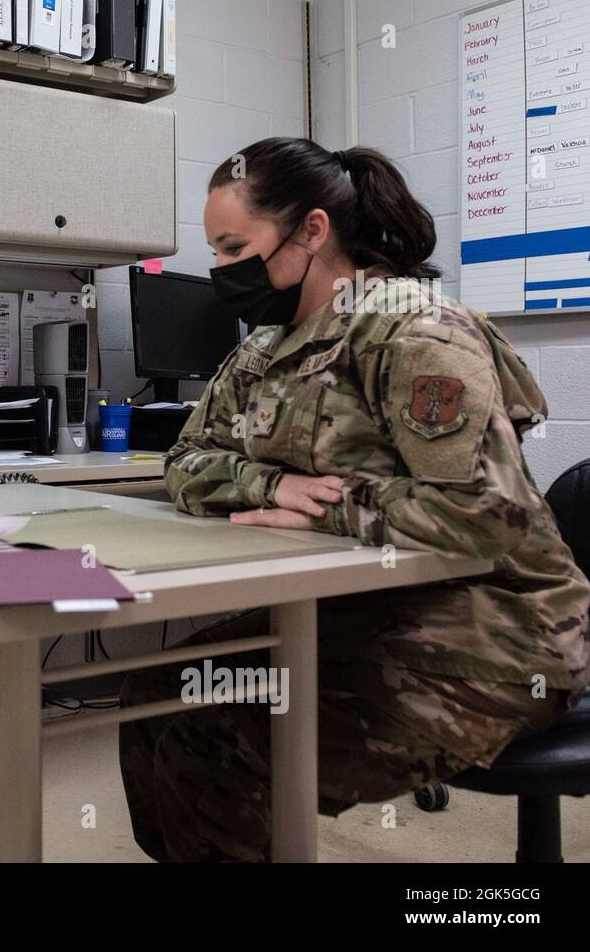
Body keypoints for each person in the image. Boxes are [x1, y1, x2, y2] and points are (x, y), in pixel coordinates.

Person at [118, 137, 590, 862]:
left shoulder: (415, 329)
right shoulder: (263, 348)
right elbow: (184, 461)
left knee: (221, 746)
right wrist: (270, 484)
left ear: (312, 230)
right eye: (214, 250)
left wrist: (330, 506)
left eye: (234, 246)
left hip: (498, 628)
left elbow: (483, 518)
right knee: (155, 696)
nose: (220, 270)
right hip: (362, 610)